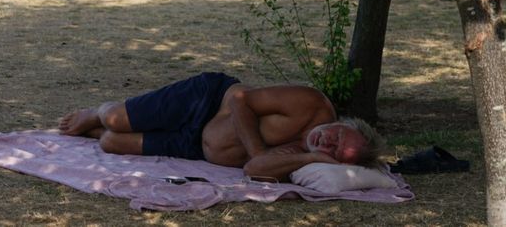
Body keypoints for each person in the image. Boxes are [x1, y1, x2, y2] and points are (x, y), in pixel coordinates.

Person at [59, 72, 385, 182]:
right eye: (337, 135)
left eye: (333, 152)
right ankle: (96, 112)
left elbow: (255, 170)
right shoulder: (310, 104)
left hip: (197, 148)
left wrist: (311, 159)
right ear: (341, 122)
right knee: (115, 119)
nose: (326, 141)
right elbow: (241, 99)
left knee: (111, 143)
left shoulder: (307, 158)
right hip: (207, 101)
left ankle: (102, 130)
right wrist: (258, 151)